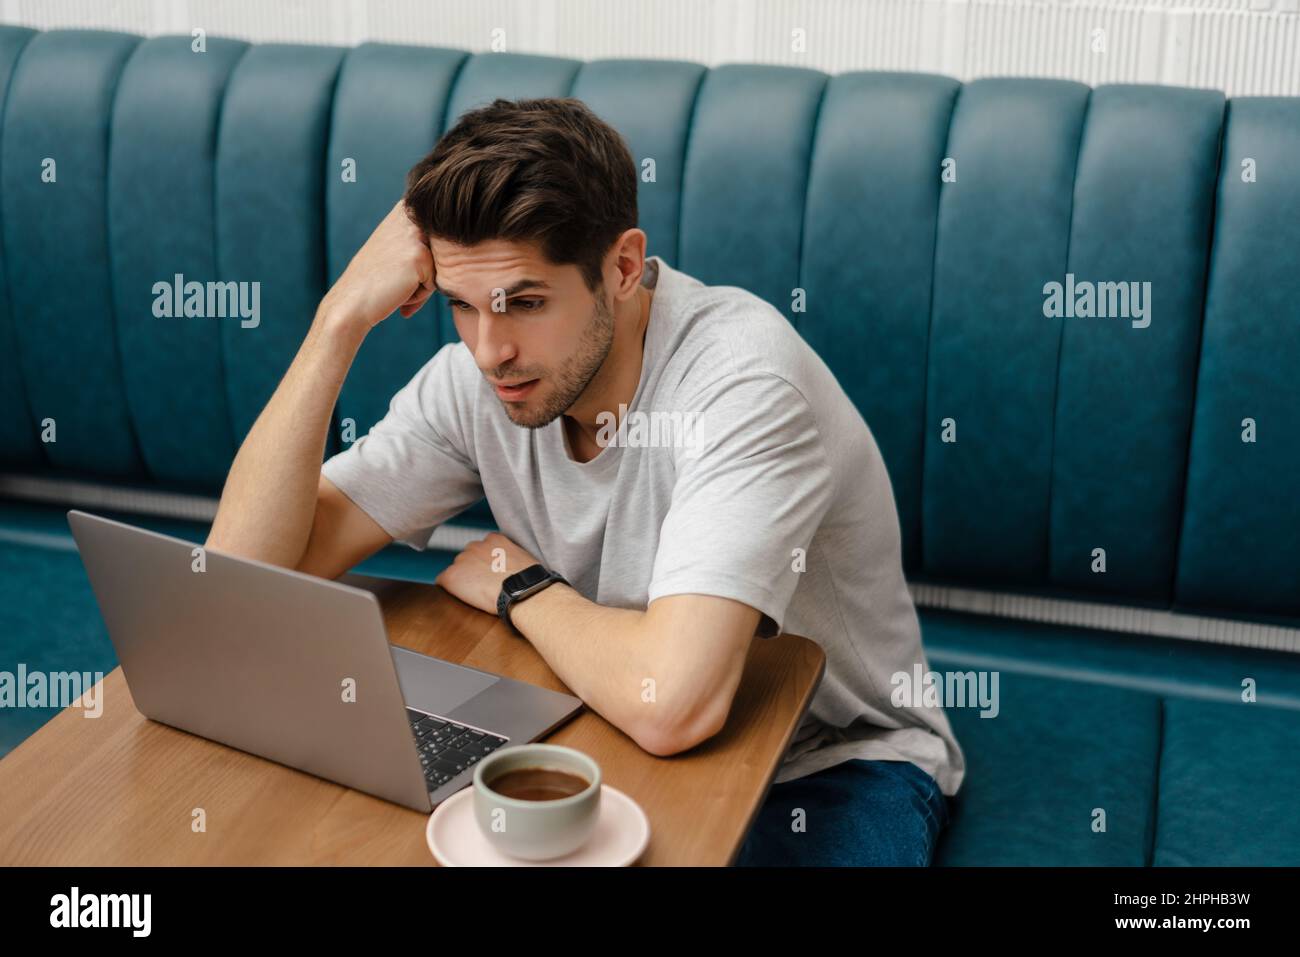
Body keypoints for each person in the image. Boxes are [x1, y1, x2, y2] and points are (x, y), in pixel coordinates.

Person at [206, 96, 964, 866]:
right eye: (461, 307)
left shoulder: (744, 385)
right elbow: (237, 593)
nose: (490, 349)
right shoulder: (484, 381)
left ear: (624, 267)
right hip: (594, 722)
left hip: (829, 765)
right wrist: (337, 321)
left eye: (525, 303)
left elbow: (672, 703)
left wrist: (521, 585)